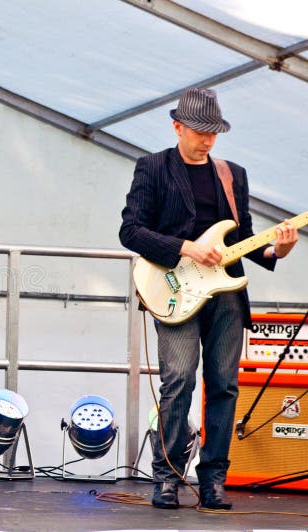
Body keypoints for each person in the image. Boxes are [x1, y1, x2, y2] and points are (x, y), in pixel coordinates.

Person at [119, 88, 298, 510]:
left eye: (214, 132)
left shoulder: (231, 173)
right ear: (177, 125)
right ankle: (165, 478)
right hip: (176, 289)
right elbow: (131, 230)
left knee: (225, 386)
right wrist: (186, 247)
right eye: (200, 131)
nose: (208, 140)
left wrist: (278, 251)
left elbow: (245, 237)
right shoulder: (152, 168)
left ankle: (214, 478)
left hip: (226, 294)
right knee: (178, 381)